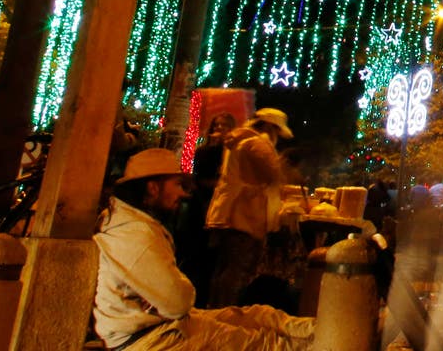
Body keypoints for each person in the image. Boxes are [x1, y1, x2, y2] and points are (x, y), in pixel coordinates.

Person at [94, 148, 313, 350]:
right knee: (266, 344)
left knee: (262, 316)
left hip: (164, 324)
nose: (183, 194)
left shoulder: (135, 223)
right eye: (177, 185)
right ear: (153, 188)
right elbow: (178, 302)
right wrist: (182, 285)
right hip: (150, 338)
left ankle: (329, 333)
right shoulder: (134, 235)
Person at [205, 108, 294, 308]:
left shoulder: (239, 141)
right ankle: (225, 315)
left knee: (223, 271)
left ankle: (213, 311)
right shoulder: (257, 143)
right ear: (270, 127)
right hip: (244, 215)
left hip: (227, 211)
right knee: (238, 271)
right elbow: (274, 175)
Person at [177, 114, 237, 307]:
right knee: (195, 255)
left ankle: (202, 301)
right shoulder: (205, 151)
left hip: (219, 211)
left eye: (225, 125)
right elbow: (201, 177)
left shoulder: (233, 153)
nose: (220, 128)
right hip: (201, 208)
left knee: (212, 260)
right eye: (217, 125)